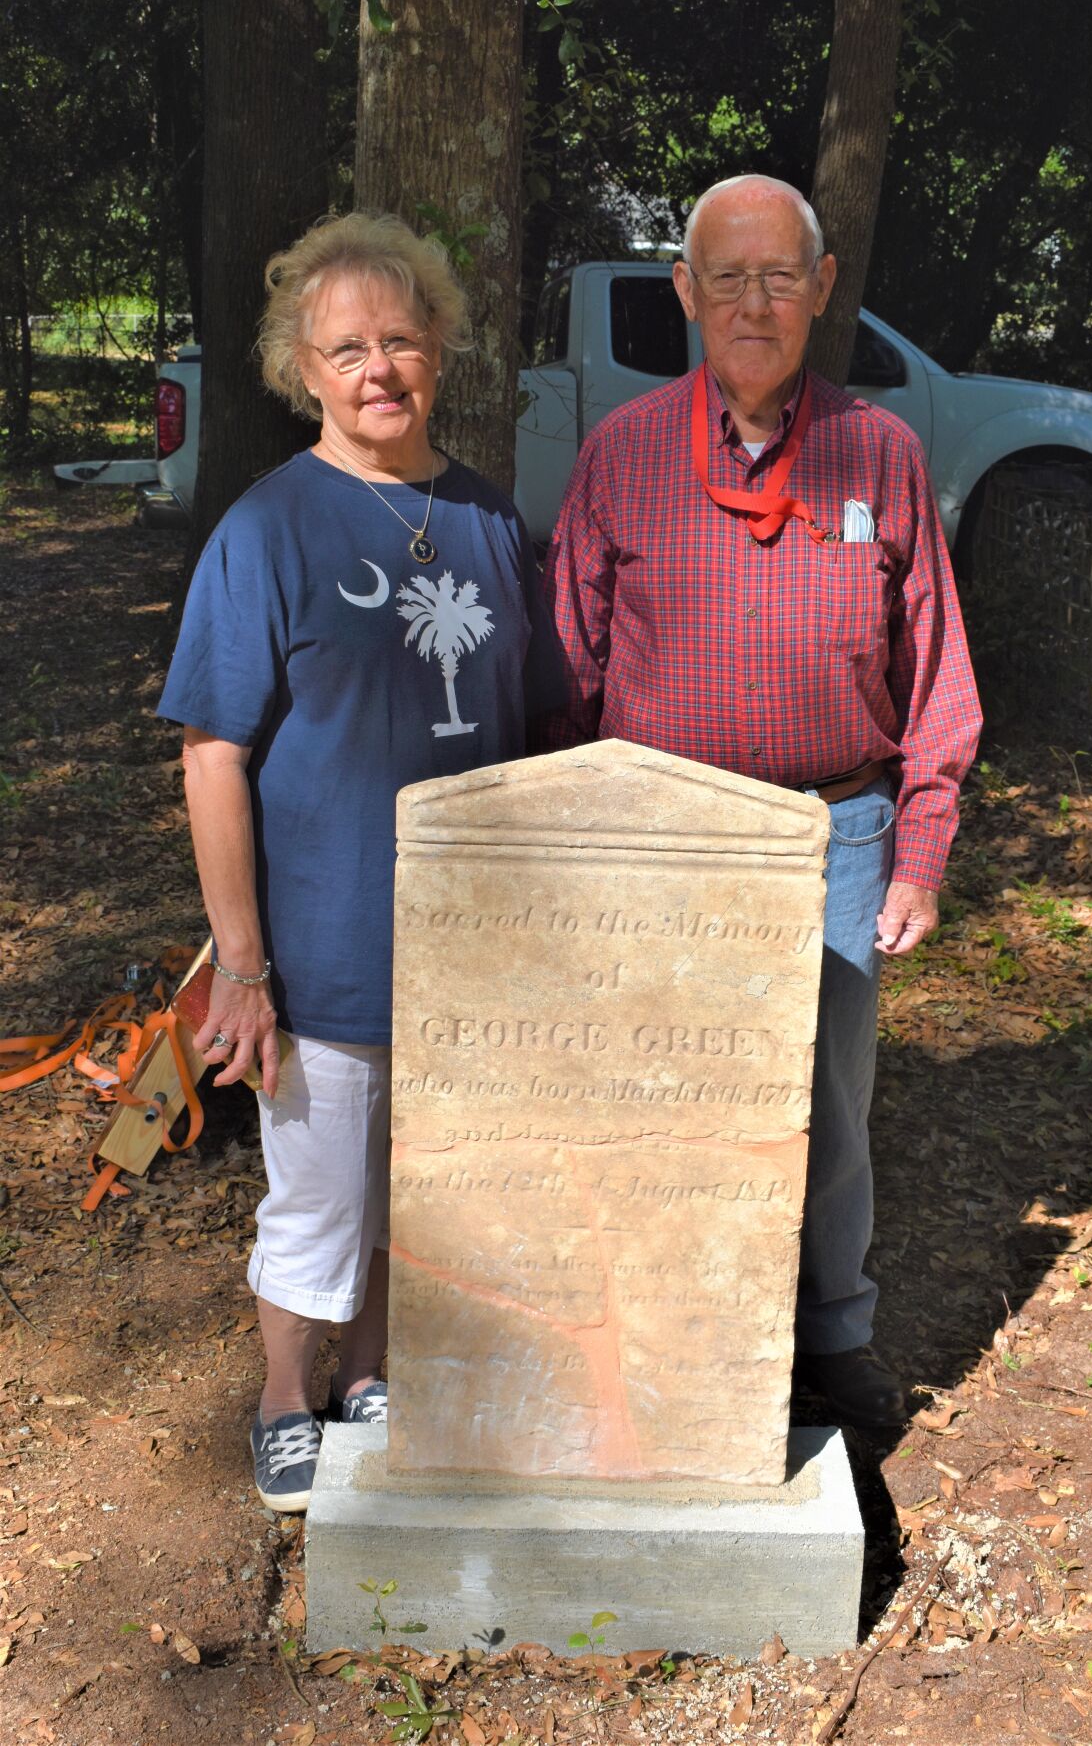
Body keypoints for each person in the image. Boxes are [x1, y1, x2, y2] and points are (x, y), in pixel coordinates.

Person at [539, 174, 982, 1430]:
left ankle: (828, 1334)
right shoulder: (619, 458)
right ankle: (661, 1327)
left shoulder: (881, 456)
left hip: (830, 833)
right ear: (682, 293)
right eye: (723, 276)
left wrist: (919, 852)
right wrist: (564, 845)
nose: (751, 301)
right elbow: (564, 665)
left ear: (821, 287)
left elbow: (937, 666)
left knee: (824, 1106)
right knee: (653, 1094)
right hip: (658, 835)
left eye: (777, 274)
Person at [158, 212, 562, 1508]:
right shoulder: (267, 529)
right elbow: (212, 751)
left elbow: (534, 715)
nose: (377, 367)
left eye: (399, 337)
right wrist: (240, 962)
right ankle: (287, 1395)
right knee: (319, 1192)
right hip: (322, 953)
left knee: (418, 1191)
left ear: (438, 345)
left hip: (467, 955)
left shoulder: (491, 518)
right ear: (303, 368)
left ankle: (372, 1372)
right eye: (346, 347)